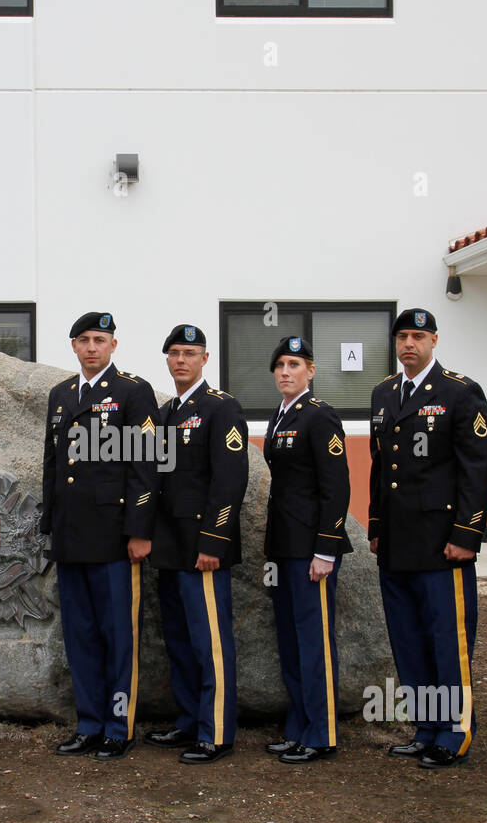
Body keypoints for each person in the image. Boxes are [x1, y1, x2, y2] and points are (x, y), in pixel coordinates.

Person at [369, 309, 487, 769]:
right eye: (402, 336)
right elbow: (383, 469)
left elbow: (478, 468)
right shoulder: (384, 393)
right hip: (399, 542)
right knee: (408, 639)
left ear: (434, 341)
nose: (409, 344)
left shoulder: (459, 392)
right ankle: (425, 727)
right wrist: (377, 526)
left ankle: (455, 731)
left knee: (448, 638)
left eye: (418, 336)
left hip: (443, 542)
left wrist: (468, 532)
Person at [41, 311, 159, 761]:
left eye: (100, 340)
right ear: (73, 346)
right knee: (81, 635)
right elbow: (54, 465)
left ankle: (118, 725)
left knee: (118, 635)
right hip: (72, 536)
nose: (92, 347)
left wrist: (140, 531)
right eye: (84, 340)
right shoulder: (60, 394)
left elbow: (146, 466)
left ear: (114, 345)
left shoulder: (133, 391)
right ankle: (88, 723)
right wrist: (49, 525)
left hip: (115, 537)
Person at [146, 325, 248, 764]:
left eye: (190, 353)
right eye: (174, 353)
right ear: (166, 359)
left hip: (203, 547)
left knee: (210, 642)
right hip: (170, 548)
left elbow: (230, 480)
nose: (181, 360)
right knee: (180, 641)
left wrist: (215, 540)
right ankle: (189, 721)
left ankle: (217, 731)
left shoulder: (220, 408)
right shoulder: (167, 412)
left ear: (205, 358)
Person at [262, 336, 351, 763]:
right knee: (293, 642)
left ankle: (321, 734)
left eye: (294, 364)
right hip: (284, 547)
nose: (285, 371)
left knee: (315, 642)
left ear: (310, 371)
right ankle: (299, 727)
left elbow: (336, 489)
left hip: (311, 551)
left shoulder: (319, 416)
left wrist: (326, 549)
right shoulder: (281, 416)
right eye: (279, 365)